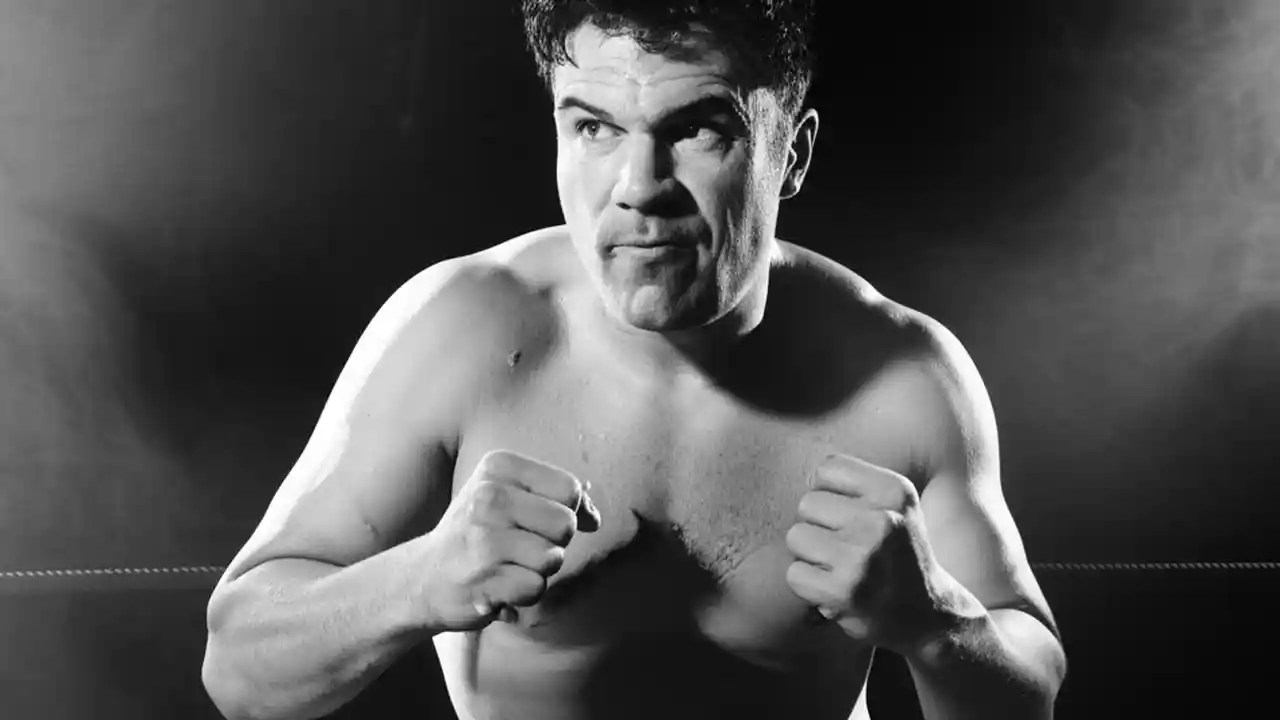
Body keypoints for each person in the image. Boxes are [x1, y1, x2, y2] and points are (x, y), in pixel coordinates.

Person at [201, 1, 1067, 718]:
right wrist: (418, 581)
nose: (638, 185)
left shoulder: (903, 375)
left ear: (792, 154)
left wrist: (936, 624)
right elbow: (237, 669)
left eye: (697, 130)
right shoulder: (457, 334)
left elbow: (1031, 690)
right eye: (594, 127)